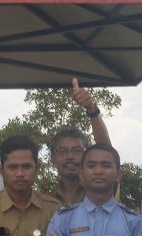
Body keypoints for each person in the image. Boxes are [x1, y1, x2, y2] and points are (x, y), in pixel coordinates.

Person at [40, 79, 114, 209]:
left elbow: (107, 153)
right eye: (63, 151)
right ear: (53, 160)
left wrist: (92, 110)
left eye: (77, 150)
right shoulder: (44, 203)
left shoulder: (101, 189)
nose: (70, 156)